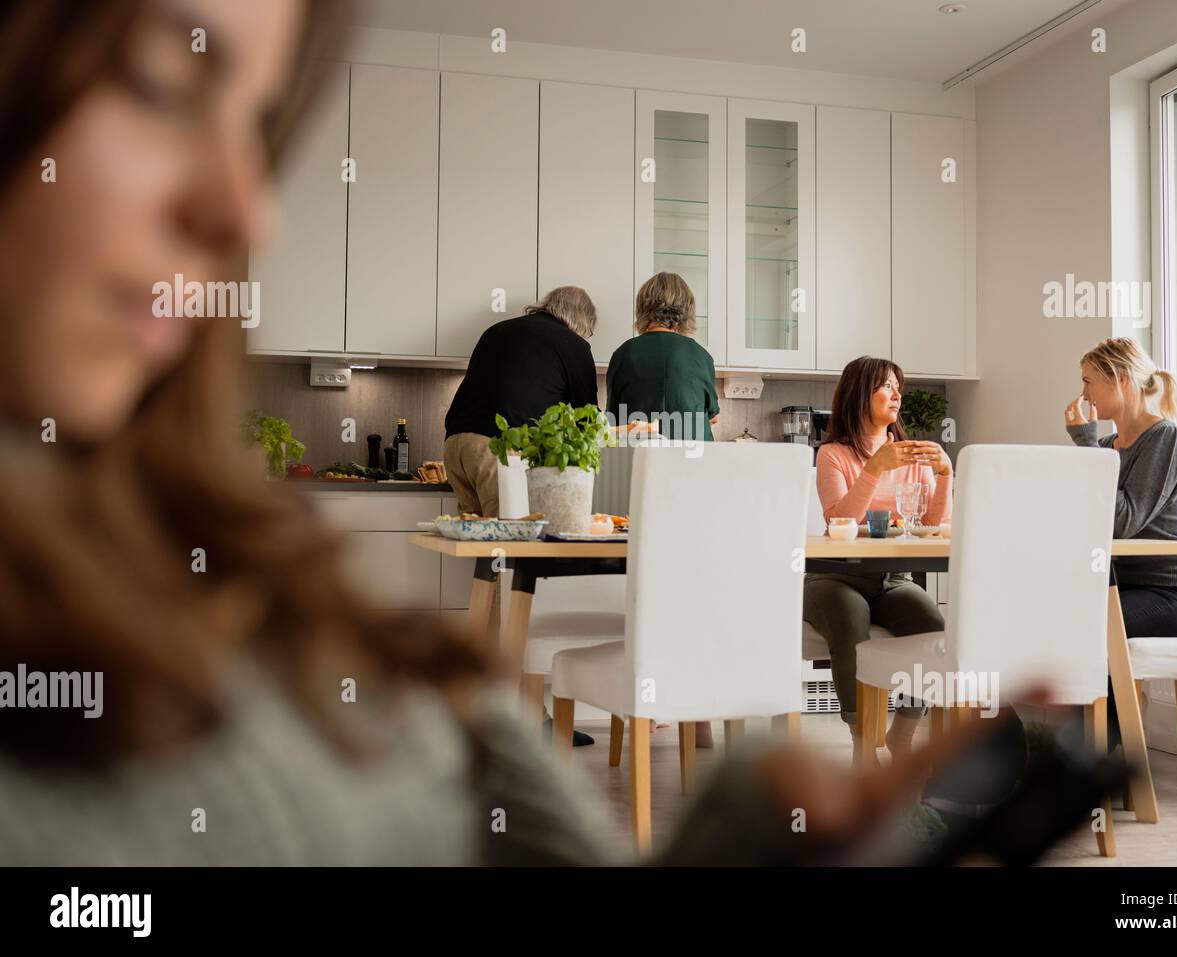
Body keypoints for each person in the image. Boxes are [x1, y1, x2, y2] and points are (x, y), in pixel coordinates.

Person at [0, 0, 1011, 867]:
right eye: (159, 86)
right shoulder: (597, 359)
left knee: (503, 556)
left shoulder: (248, 580)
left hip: (481, 455)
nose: (248, 212)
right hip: (555, 485)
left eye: (260, 127)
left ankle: (511, 602)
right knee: (514, 550)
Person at [1065, 338, 1177, 739]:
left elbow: (1121, 521)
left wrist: (1084, 445)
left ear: (1122, 380)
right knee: (1058, 619)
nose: (1083, 395)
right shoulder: (1105, 446)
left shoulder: (1165, 438)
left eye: (1089, 382)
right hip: (1122, 589)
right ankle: (1073, 761)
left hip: (1176, 595)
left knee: (1091, 628)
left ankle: (1090, 766)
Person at [804, 357, 952, 754]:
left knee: (932, 626)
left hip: (893, 579)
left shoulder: (912, 455)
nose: (897, 394)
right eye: (886, 386)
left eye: (897, 386)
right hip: (832, 578)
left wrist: (944, 475)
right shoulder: (833, 454)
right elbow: (840, 520)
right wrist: (874, 468)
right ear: (859, 394)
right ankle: (864, 742)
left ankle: (903, 732)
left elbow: (934, 525)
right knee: (851, 618)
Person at [443, 287, 599, 518]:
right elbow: (588, 417)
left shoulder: (496, 330)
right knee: (510, 540)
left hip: (455, 446)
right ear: (583, 321)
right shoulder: (574, 345)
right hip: (496, 450)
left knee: (480, 539)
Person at [606, 272, 719, 443]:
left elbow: (613, 419)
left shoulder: (623, 353)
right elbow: (713, 415)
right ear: (687, 310)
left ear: (643, 308)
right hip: (695, 461)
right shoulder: (701, 356)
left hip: (641, 459)